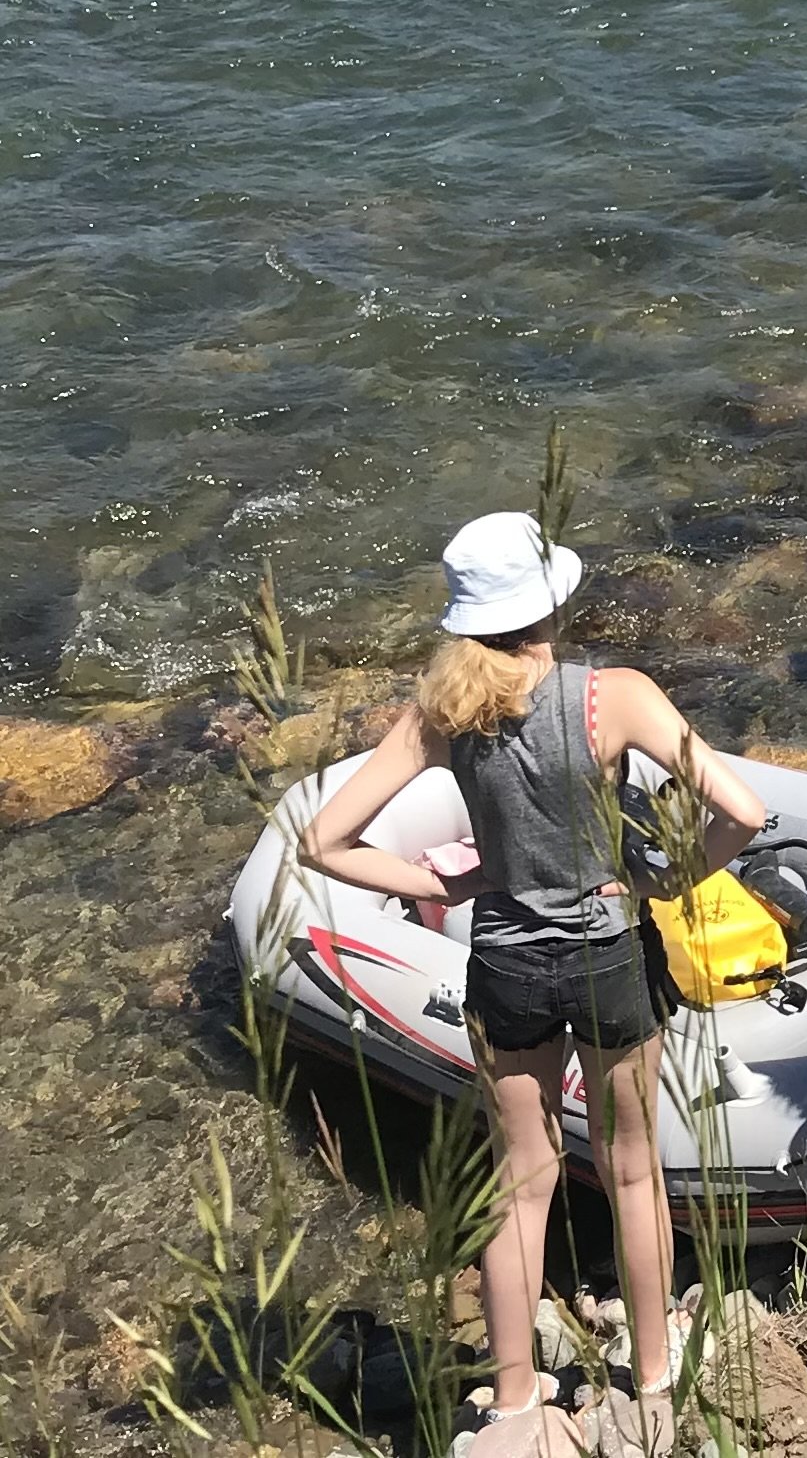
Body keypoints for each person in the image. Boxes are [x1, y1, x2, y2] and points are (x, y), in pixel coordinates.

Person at [301, 515, 766, 1458]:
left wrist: (444, 884)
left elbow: (325, 841)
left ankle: (514, 1404)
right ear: (550, 599)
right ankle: (652, 1376)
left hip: (506, 958)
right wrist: (665, 882)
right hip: (604, 954)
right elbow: (743, 811)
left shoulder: (442, 709)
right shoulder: (614, 697)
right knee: (632, 1170)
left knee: (522, 1183)